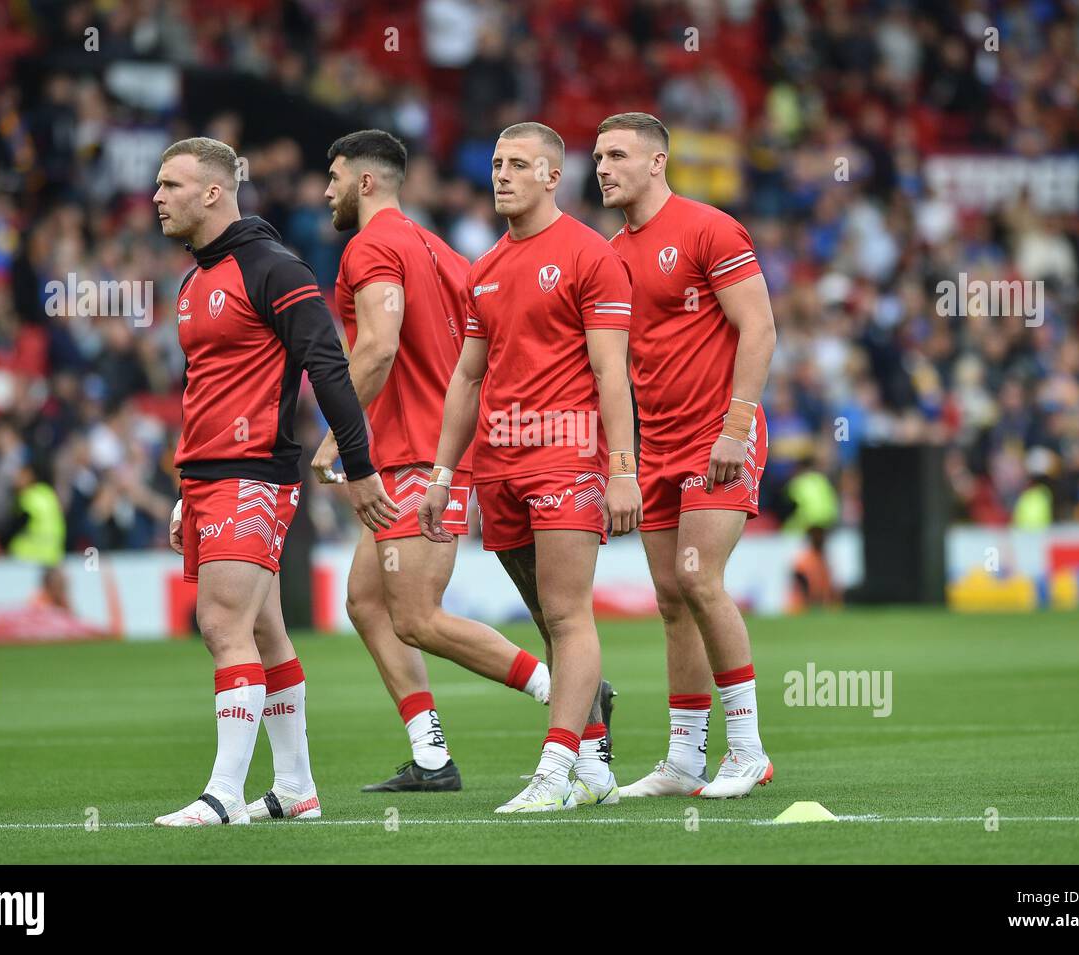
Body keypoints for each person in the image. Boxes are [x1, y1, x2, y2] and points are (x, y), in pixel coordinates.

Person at [154, 136, 397, 826]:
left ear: (212, 191)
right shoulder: (195, 280)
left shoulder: (273, 269)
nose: (156, 198)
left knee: (220, 623)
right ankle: (295, 787)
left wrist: (358, 463)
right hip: (209, 475)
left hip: (254, 471)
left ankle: (222, 794)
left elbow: (329, 367)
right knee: (263, 632)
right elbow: (207, 390)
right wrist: (185, 484)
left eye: (171, 185)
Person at [314, 129, 556, 792]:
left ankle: (568, 694)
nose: (325, 190)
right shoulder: (443, 251)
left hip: (419, 455)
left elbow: (379, 349)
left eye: (333, 176)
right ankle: (430, 755)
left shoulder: (370, 247)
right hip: (424, 450)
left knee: (417, 615)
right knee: (366, 602)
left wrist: (337, 436)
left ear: (365, 183)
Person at [419, 122, 641, 812]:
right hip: (498, 464)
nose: (503, 175)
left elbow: (611, 370)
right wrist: (442, 473)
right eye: (496, 163)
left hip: (567, 458)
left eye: (520, 164)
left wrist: (624, 468)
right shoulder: (482, 270)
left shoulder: (589, 255)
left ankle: (554, 771)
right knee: (547, 615)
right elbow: (465, 378)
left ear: (552, 176)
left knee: (570, 614)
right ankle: (596, 763)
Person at [595, 112, 777, 798]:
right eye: (597, 156)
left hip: (716, 437)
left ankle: (749, 751)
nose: (603, 167)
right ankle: (683, 759)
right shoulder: (612, 253)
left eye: (616, 155)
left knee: (700, 582)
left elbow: (759, 327)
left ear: (656, 162)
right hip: (659, 444)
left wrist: (736, 426)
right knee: (672, 599)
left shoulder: (709, 228)